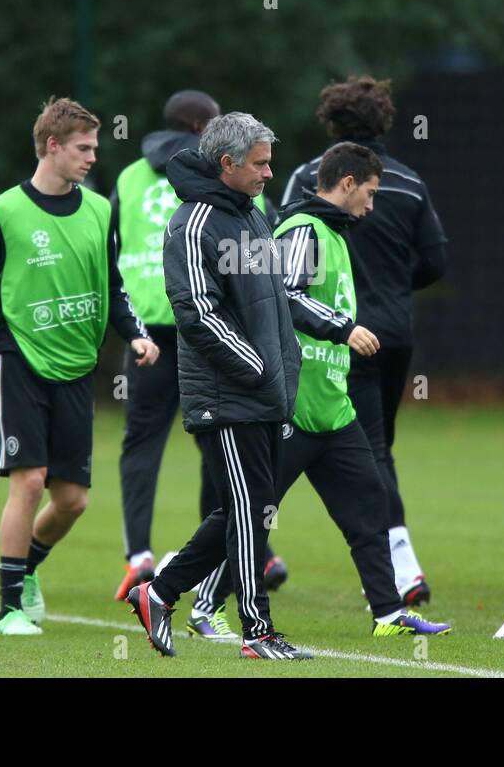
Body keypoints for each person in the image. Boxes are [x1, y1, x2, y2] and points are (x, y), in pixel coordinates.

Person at [182, 143, 451, 640]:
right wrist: (343, 327)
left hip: (332, 407)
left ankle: (389, 613)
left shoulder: (335, 234)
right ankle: (203, 603)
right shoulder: (303, 229)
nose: (372, 205)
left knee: (370, 505)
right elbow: (287, 294)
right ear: (347, 183)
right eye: (370, 193)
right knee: (249, 514)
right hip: (290, 407)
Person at [0, 96, 157, 636]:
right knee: (29, 482)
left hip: (75, 364)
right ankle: (8, 610)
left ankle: (27, 572)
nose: (93, 158)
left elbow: (113, 286)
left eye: (95, 148)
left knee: (72, 500)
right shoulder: (1, 212)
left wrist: (136, 336)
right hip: (18, 355)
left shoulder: (99, 210)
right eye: (83, 148)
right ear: (52, 146)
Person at [125, 112, 308, 660]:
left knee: (245, 508)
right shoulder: (195, 221)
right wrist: (256, 367)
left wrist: (283, 365)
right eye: (260, 164)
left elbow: (271, 304)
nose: (269, 173)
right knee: (249, 508)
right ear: (226, 164)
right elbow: (196, 312)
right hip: (228, 394)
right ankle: (257, 632)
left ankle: (157, 592)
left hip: (263, 391)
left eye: (270, 162)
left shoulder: (250, 214)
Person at [280, 75, 446, 607]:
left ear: (331, 122)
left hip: (330, 341)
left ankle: (232, 557)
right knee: (376, 449)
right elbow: (435, 261)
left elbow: (274, 249)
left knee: (337, 453)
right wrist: (395, 287)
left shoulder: (308, 178)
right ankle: (400, 572)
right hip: (390, 334)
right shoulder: (410, 181)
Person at [110, 89, 280, 606]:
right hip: (209, 331)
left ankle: (139, 552)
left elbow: (114, 244)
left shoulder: (130, 176)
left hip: (146, 327)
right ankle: (239, 554)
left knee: (142, 444)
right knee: (224, 451)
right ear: (210, 132)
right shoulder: (227, 193)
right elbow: (259, 268)